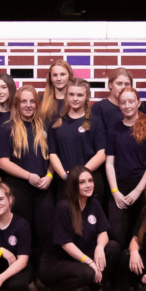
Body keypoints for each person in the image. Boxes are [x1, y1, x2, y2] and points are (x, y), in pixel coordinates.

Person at [38, 167, 123, 291]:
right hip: (55, 263)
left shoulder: (94, 203)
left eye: (90, 181)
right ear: (73, 185)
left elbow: (103, 232)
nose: (88, 185)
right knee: (88, 273)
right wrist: (89, 261)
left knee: (112, 247)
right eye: (82, 182)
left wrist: (100, 247)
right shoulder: (63, 207)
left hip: (77, 259)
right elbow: (66, 244)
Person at [104, 86, 146, 275]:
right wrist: (115, 191)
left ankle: (138, 279)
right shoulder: (114, 129)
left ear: (138, 103)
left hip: (144, 188)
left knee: (142, 235)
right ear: (119, 105)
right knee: (117, 236)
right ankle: (116, 280)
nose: (127, 105)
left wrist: (138, 190)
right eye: (123, 102)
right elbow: (109, 163)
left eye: (131, 101)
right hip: (119, 189)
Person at [0, 85, 54, 246]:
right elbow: (3, 162)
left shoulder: (45, 127)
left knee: (46, 231)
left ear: (37, 104)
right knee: (22, 231)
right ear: (17, 104)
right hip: (18, 188)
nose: (28, 105)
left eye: (32, 101)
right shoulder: (7, 128)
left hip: (43, 188)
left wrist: (49, 175)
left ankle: (45, 262)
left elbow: (53, 157)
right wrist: (28, 176)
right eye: (23, 101)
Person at [49, 78, 107, 215]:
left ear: (87, 96)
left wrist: (80, 175)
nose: (75, 98)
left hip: (90, 182)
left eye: (80, 95)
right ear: (66, 95)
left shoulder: (95, 122)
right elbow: (52, 153)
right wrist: (65, 176)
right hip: (64, 182)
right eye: (71, 94)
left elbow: (102, 153)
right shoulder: (56, 122)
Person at [90, 68, 133, 139]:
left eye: (127, 84)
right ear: (110, 85)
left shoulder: (135, 108)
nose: (123, 87)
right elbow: (97, 137)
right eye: (119, 84)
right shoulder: (99, 107)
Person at [34, 59, 73, 127]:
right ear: (50, 78)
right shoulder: (41, 101)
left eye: (62, 74)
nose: (58, 79)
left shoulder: (75, 101)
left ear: (69, 76)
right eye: (55, 75)